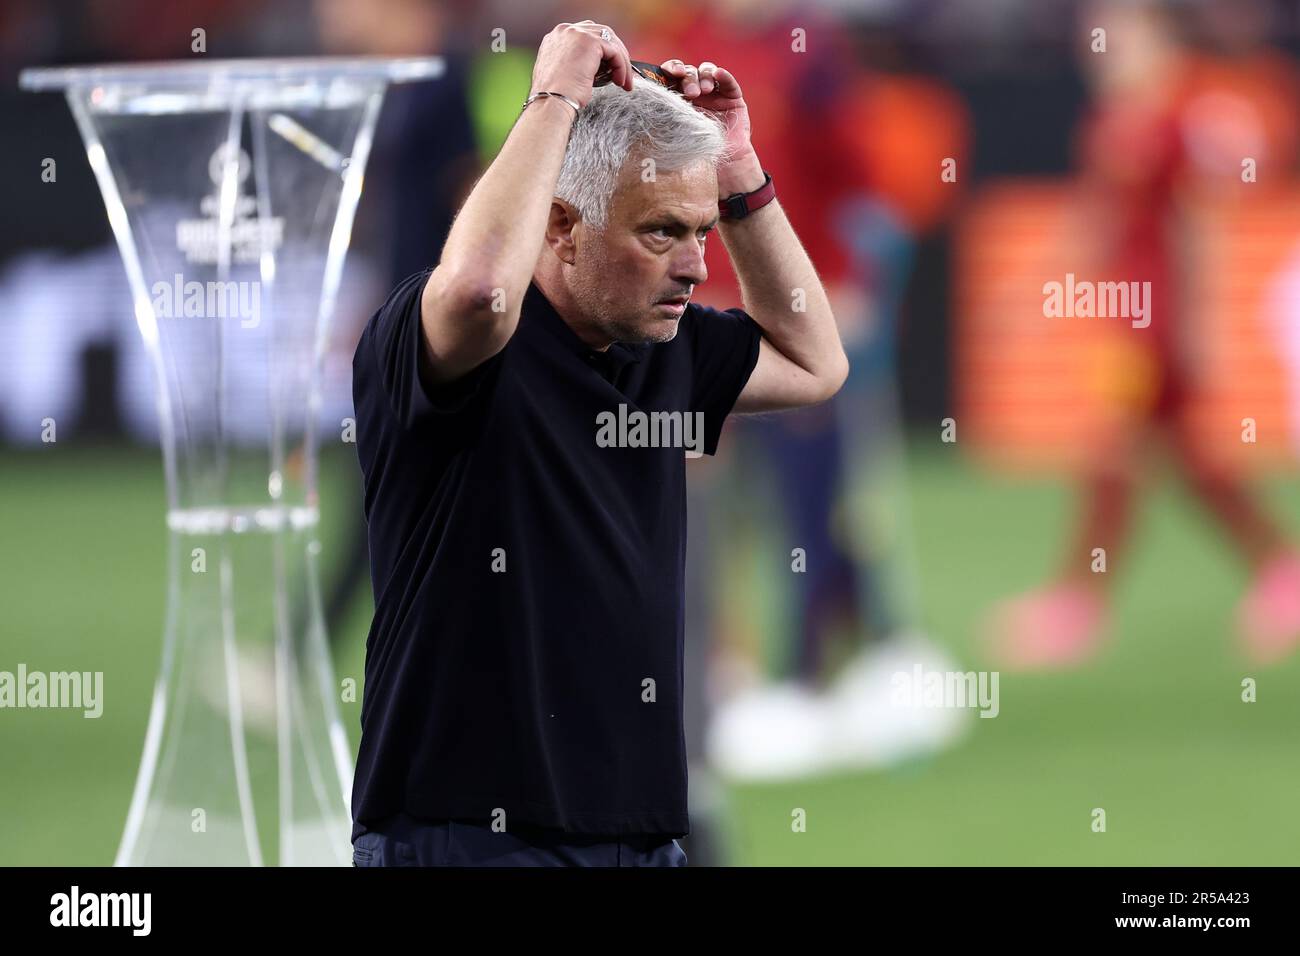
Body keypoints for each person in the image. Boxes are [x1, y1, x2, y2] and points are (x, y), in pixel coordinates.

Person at [349, 19, 849, 866]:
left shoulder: (668, 346)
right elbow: (476, 289)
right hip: (466, 837)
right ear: (560, 226)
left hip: (643, 839)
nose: (694, 266)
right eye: (661, 231)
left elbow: (815, 361)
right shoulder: (449, 343)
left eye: (700, 232)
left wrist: (738, 173)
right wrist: (553, 97)